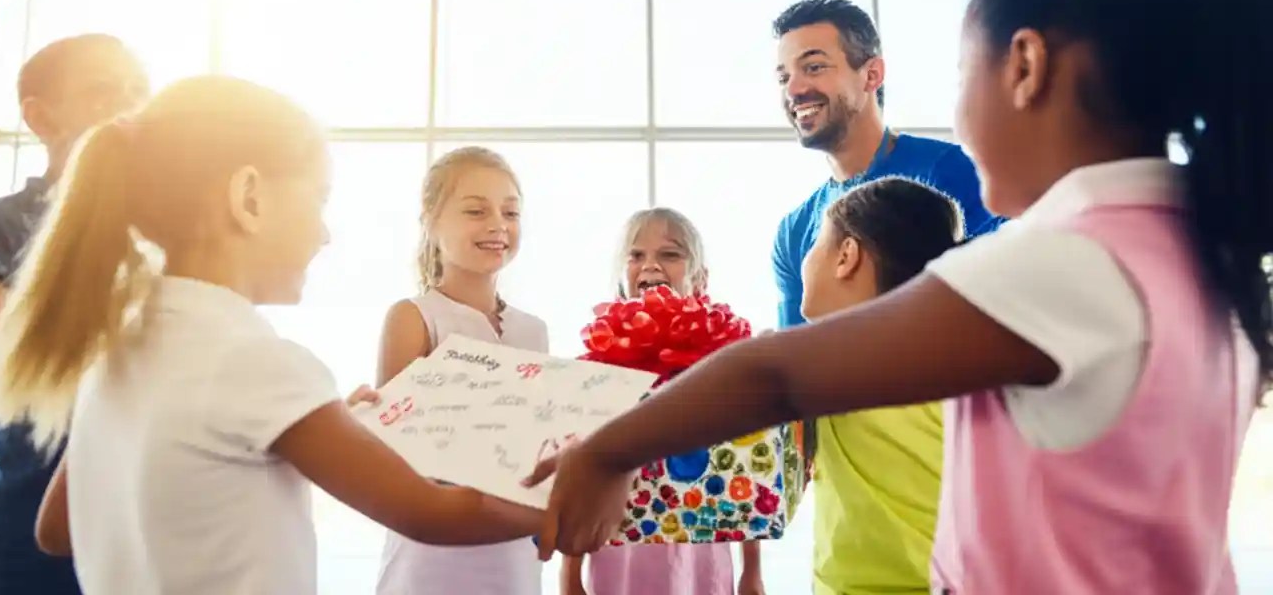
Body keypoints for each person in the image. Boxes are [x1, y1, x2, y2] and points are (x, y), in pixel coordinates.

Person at [528, 0, 1272, 594]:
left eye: (960, 76)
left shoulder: (1072, 260)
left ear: (1025, 66)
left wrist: (605, 453)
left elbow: (781, 372)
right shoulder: (1197, 249)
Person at [0, 76, 541, 595]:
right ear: (249, 197)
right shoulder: (258, 365)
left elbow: (57, 528)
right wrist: (570, 500)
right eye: (319, 199)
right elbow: (428, 512)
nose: (325, 234)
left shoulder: (120, 351)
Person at [0, 33, 148, 595]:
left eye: (139, 91)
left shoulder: (173, 233)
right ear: (39, 116)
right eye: (103, 92)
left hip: (151, 516)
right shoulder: (0, 227)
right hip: (31, 519)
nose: (130, 106)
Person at [562, 207, 763, 595]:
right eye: (636, 256)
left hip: (702, 548)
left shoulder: (720, 363)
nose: (650, 265)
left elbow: (746, 470)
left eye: (670, 254)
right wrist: (569, 575)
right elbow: (581, 470)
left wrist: (751, 568)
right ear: (621, 276)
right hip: (618, 551)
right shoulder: (599, 365)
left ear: (700, 278)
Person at [375, 146, 547, 595]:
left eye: (511, 212)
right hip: (432, 553)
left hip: (513, 551)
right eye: (475, 210)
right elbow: (395, 448)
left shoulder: (534, 331)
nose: (498, 225)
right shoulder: (413, 317)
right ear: (431, 221)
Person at [772, 0, 999, 331]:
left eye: (814, 67)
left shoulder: (951, 172)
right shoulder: (794, 232)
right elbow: (792, 359)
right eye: (783, 77)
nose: (794, 89)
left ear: (872, 74)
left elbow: (997, 307)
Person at [799, 178, 960, 594]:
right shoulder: (960, 358)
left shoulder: (829, 362)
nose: (806, 259)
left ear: (846, 256)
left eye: (817, 242)